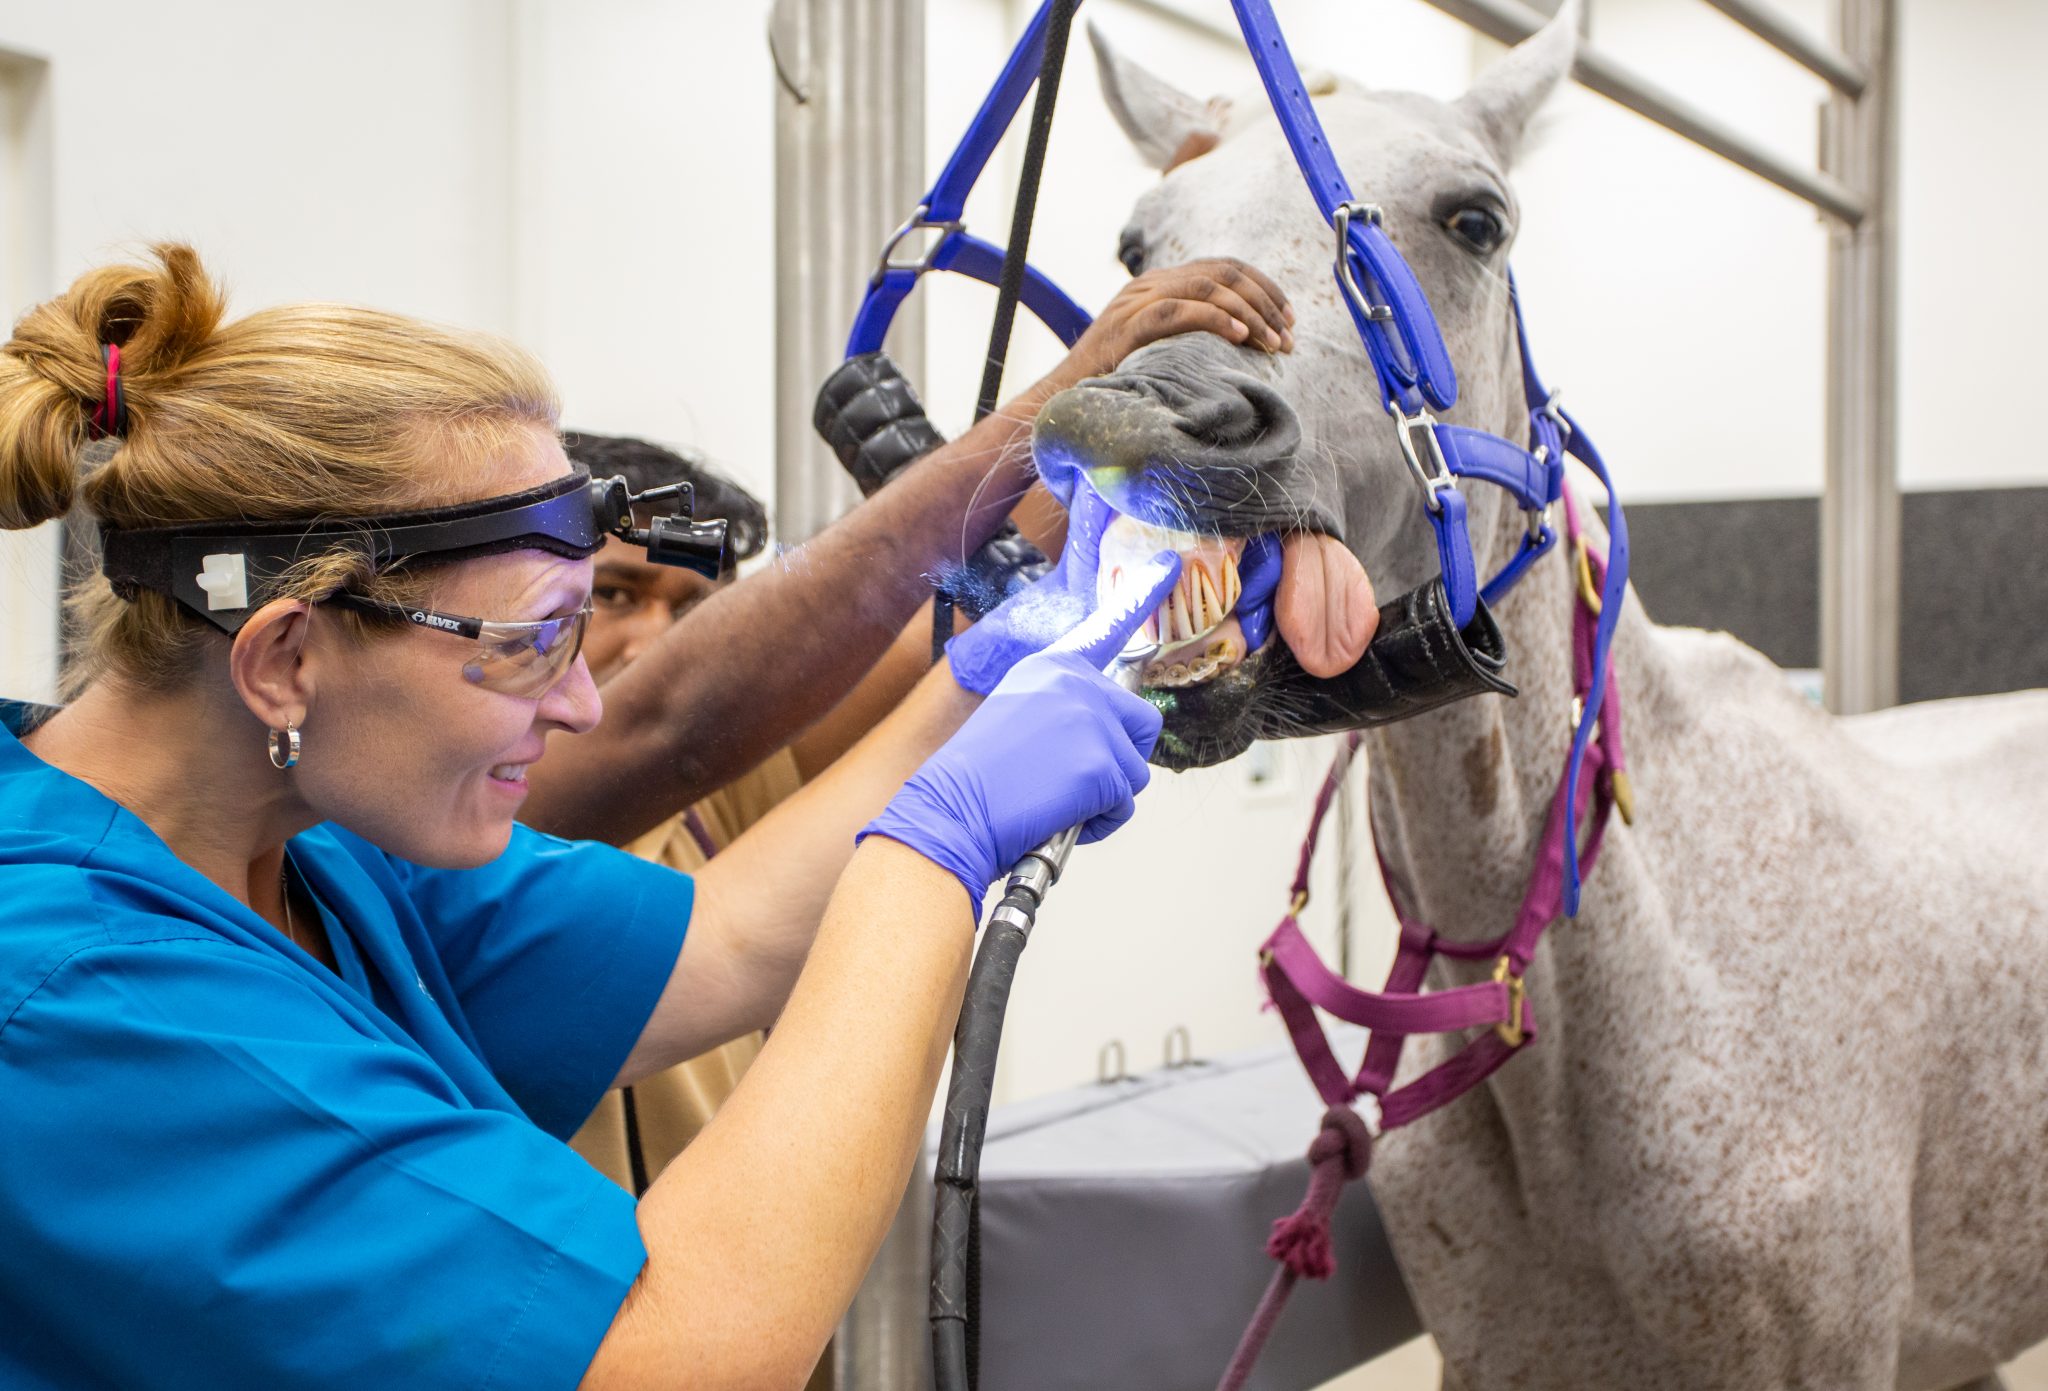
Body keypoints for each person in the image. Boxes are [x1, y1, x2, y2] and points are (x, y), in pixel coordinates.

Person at [0, 245, 1206, 1389]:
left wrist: (1004, 665)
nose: (582, 702)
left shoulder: (313, 852)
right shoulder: (78, 995)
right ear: (284, 660)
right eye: (533, 641)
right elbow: (674, 1357)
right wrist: (934, 853)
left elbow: (721, 938)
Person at [557, 433, 939, 1196]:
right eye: (617, 593)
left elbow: (935, 630)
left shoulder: (716, 794)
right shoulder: (449, 827)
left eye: (696, 610)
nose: (657, 643)